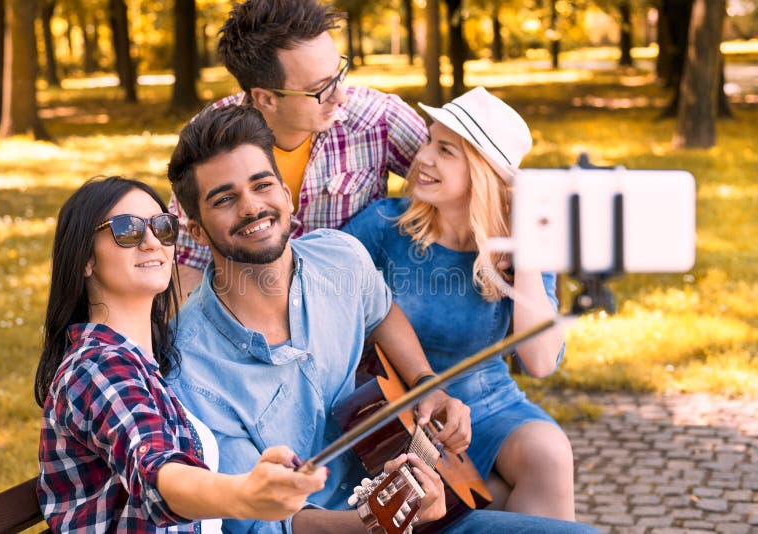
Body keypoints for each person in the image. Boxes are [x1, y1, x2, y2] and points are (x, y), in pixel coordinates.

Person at [166, 104, 598, 533]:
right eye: (224, 199)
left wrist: (425, 382)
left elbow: (380, 310)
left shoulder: (338, 257)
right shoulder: (192, 367)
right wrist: (374, 522)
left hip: (416, 466)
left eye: (262, 185)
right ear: (197, 230)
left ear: (286, 192)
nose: (251, 207)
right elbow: (259, 522)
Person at [34, 176, 328, 532]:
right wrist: (246, 493)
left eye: (162, 226)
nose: (151, 242)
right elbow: (156, 469)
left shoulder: (147, 362)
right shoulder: (98, 366)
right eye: (126, 230)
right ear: (85, 260)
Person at [342, 87, 576, 520]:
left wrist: (527, 252)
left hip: (487, 402)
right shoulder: (384, 225)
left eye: (445, 150)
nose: (423, 157)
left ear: (484, 173)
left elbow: (541, 362)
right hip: (396, 407)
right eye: (429, 141)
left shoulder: (521, 245)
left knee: (550, 454)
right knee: (476, 502)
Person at [167, 0, 428, 302]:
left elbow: (464, 182)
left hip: (359, 308)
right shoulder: (208, 144)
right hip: (254, 314)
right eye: (321, 88)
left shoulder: (378, 118)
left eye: (339, 72)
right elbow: (189, 260)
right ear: (265, 98)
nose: (341, 95)